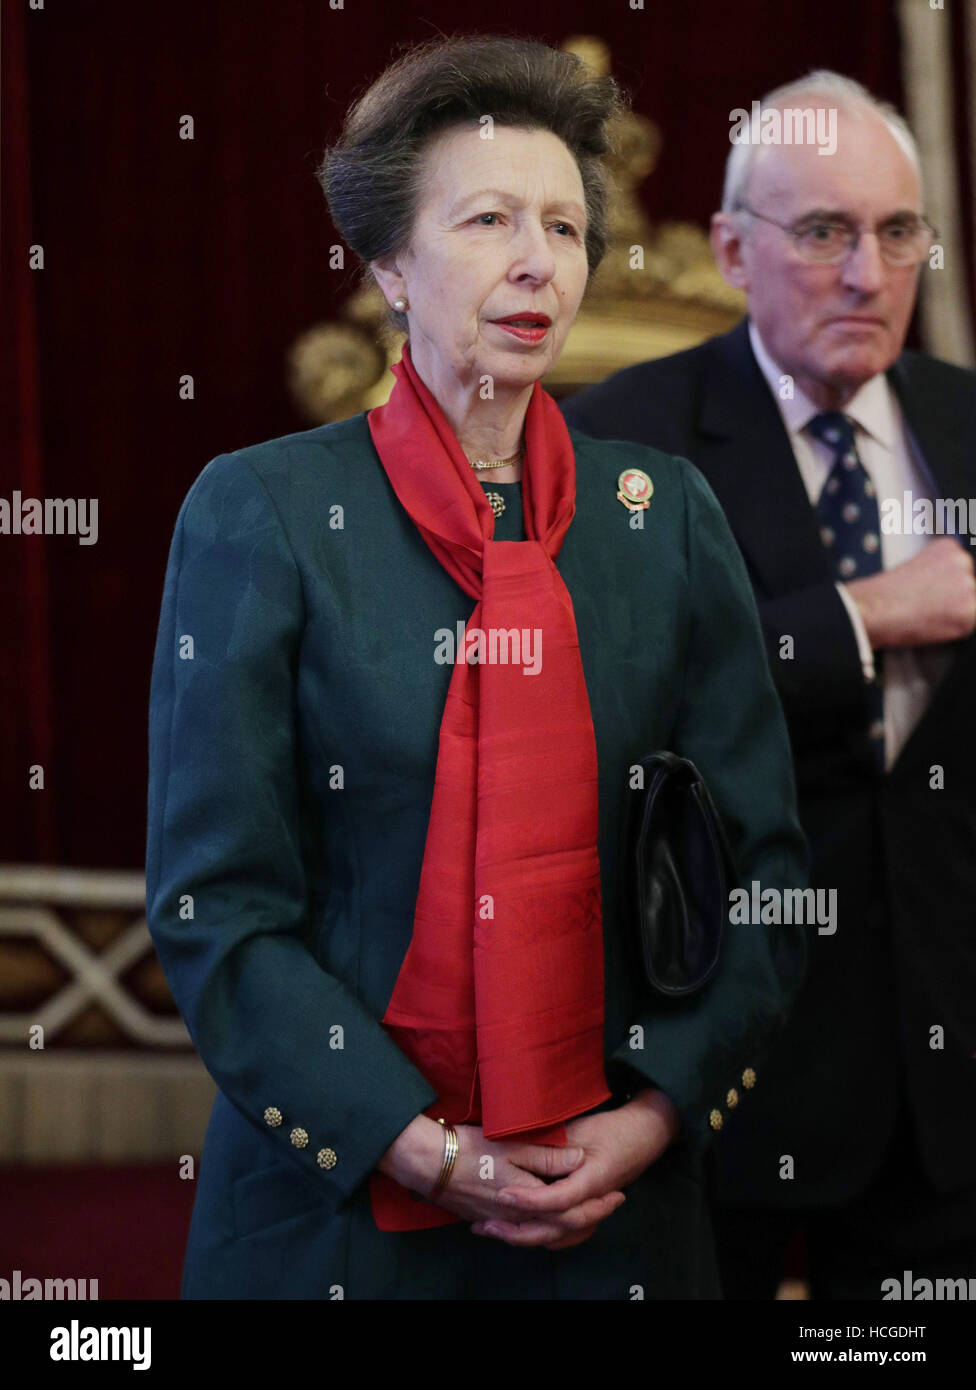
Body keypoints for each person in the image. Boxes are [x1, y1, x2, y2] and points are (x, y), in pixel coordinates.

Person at [145, 34, 807, 1301]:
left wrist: (657, 1110)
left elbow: (764, 872)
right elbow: (216, 904)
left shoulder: (659, 517)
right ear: (388, 262)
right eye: (489, 219)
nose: (534, 263)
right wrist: (418, 1144)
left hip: (614, 1204)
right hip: (341, 1216)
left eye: (563, 227)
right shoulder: (267, 511)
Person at [560, 70, 976, 1300]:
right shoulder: (632, 439)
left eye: (897, 232)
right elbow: (621, 709)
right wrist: (855, 619)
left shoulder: (967, 425)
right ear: (735, 251)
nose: (867, 274)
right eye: (824, 233)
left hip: (944, 1083)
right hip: (722, 1053)